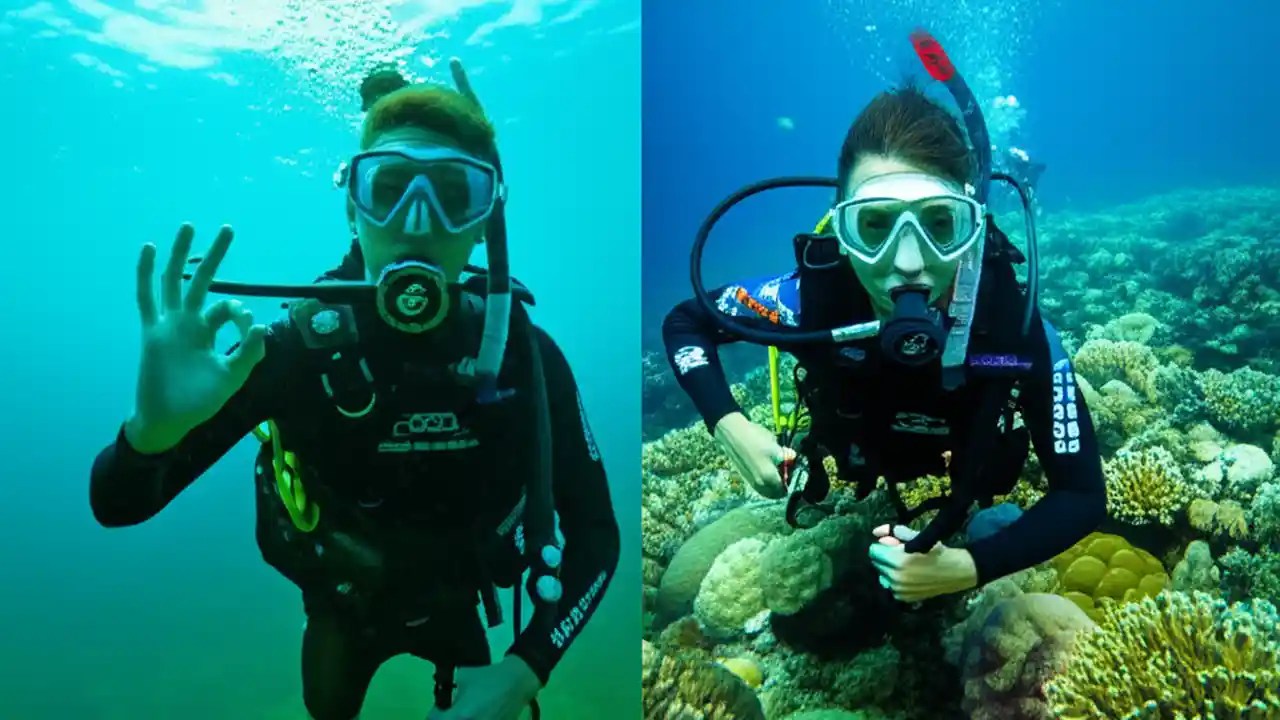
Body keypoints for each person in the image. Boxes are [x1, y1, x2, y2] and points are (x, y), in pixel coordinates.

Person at [89, 60, 619, 720]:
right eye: (389, 188)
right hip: (342, 606)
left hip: (459, 600)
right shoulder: (290, 352)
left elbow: (598, 538)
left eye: (454, 195)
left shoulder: (522, 358)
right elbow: (117, 505)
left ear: (486, 220)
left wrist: (523, 670)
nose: (417, 221)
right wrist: (151, 434)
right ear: (352, 209)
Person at [664, 30, 1105, 607]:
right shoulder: (807, 303)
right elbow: (685, 322)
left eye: (940, 224)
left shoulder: (1010, 326)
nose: (908, 262)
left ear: (972, 230)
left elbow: (1081, 495)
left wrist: (970, 565)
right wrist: (728, 423)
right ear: (841, 231)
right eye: (874, 225)